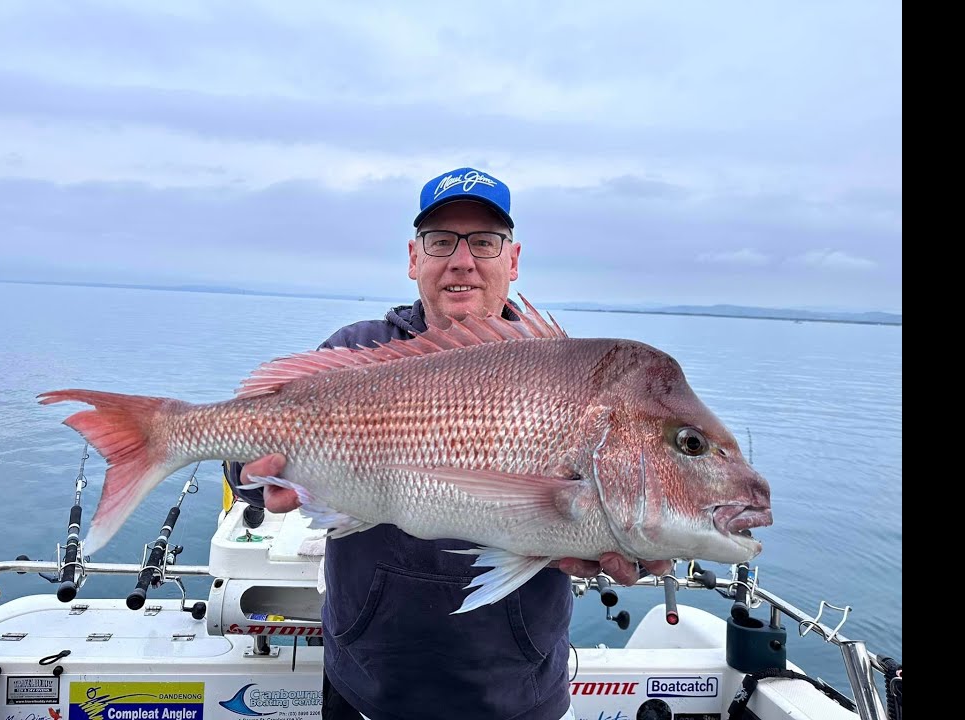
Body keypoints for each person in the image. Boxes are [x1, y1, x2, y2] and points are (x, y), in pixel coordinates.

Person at [226, 167, 654, 720]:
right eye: (441, 241)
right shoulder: (355, 353)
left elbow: (625, 507)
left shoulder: (566, 372)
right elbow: (245, 462)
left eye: (483, 241)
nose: (462, 259)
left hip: (516, 697)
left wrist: (638, 543)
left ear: (513, 260)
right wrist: (250, 476)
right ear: (413, 257)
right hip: (368, 687)